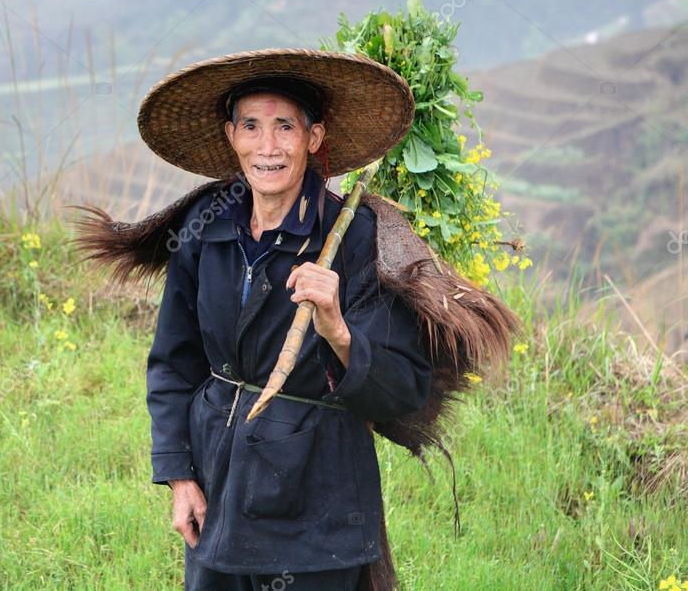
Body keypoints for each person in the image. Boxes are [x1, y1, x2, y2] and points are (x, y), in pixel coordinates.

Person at [72, 48, 519, 590]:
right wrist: (179, 475)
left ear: (314, 138)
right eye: (252, 126)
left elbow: (401, 389)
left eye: (285, 126)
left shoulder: (355, 239)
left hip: (319, 502)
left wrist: (338, 328)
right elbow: (173, 362)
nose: (268, 147)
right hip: (219, 484)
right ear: (231, 135)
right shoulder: (203, 225)